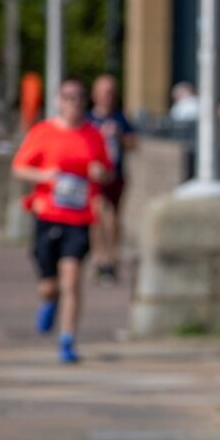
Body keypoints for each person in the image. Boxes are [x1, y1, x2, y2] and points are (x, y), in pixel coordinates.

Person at [11, 78, 112, 363]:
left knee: (72, 279)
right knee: (49, 285)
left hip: (79, 217)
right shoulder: (43, 132)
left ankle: (67, 339)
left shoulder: (94, 135)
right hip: (48, 215)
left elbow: (106, 171)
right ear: (58, 101)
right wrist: (44, 177)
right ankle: (49, 301)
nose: (74, 103)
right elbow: (19, 169)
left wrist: (98, 172)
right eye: (68, 97)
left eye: (79, 97)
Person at [87, 74, 137, 284]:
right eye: (104, 92)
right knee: (98, 216)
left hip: (116, 174)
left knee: (114, 219)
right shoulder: (88, 119)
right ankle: (100, 258)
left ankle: (112, 258)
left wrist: (119, 137)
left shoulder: (120, 118)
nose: (108, 96)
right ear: (95, 95)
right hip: (94, 176)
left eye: (111, 92)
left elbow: (134, 143)